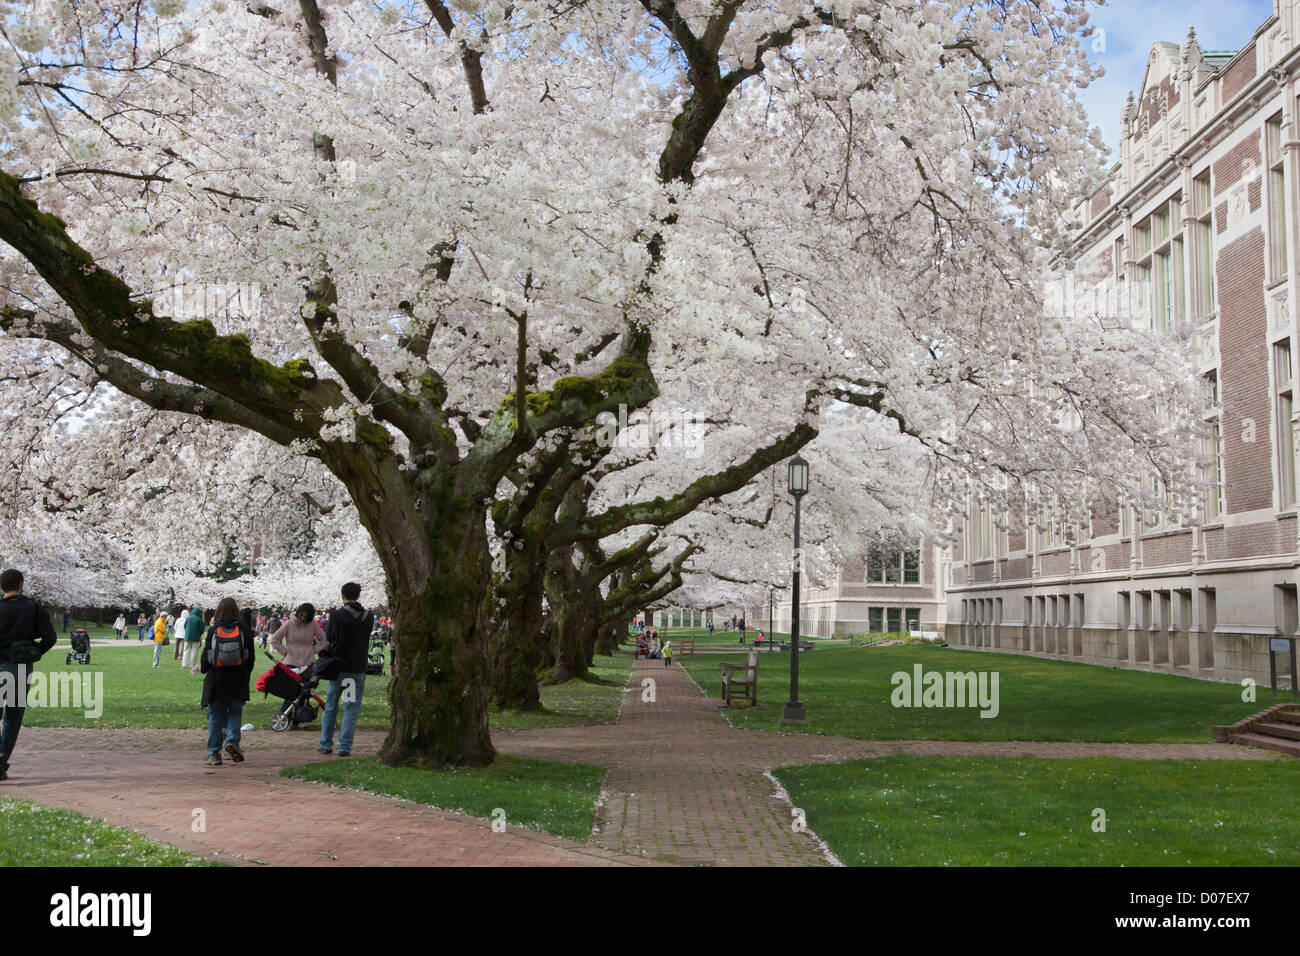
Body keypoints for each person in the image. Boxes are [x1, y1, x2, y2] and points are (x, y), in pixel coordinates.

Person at [0, 569, 57, 781]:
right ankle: (2, 757)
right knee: (13, 717)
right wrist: (34, 652)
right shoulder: (32, 609)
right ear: (21, 584)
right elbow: (49, 637)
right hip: (20, 667)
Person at [317, 583, 373, 758]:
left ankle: (326, 743)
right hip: (356, 668)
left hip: (338, 667)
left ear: (343, 596)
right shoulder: (368, 616)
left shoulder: (337, 616)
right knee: (350, 707)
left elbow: (330, 638)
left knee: (331, 706)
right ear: (358, 595)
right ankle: (345, 746)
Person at [199, 597, 256, 765]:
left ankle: (214, 752)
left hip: (216, 679)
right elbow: (250, 657)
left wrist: (203, 669)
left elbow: (206, 655)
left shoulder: (214, 630)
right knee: (235, 713)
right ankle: (232, 741)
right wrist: (246, 674)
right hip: (237, 678)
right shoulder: (244, 630)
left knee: (216, 716)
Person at [271, 603, 327, 670]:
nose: (303, 618)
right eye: (301, 615)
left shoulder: (313, 624)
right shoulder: (289, 623)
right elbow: (274, 639)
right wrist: (285, 652)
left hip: (309, 663)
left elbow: (324, 639)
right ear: (298, 612)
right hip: (290, 662)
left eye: (306, 617)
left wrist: (314, 650)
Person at [182, 604, 204, 670]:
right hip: (196, 637)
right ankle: (191, 665)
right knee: (194, 651)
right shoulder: (199, 620)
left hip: (187, 637)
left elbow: (185, 626)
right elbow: (202, 629)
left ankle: (184, 664)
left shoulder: (188, 618)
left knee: (186, 650)